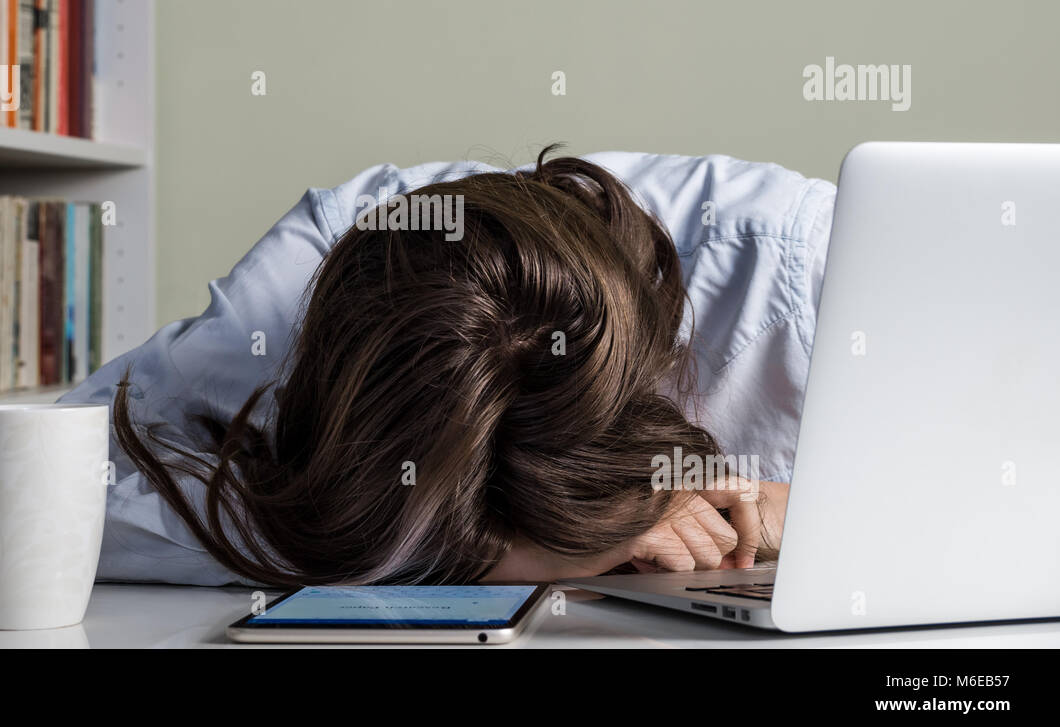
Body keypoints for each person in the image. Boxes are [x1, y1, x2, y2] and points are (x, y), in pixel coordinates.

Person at [59, 146, 836, 586]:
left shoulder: (811, 261)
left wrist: (805, 511)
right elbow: (28, 493)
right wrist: (507, 551)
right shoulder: (291, 294)